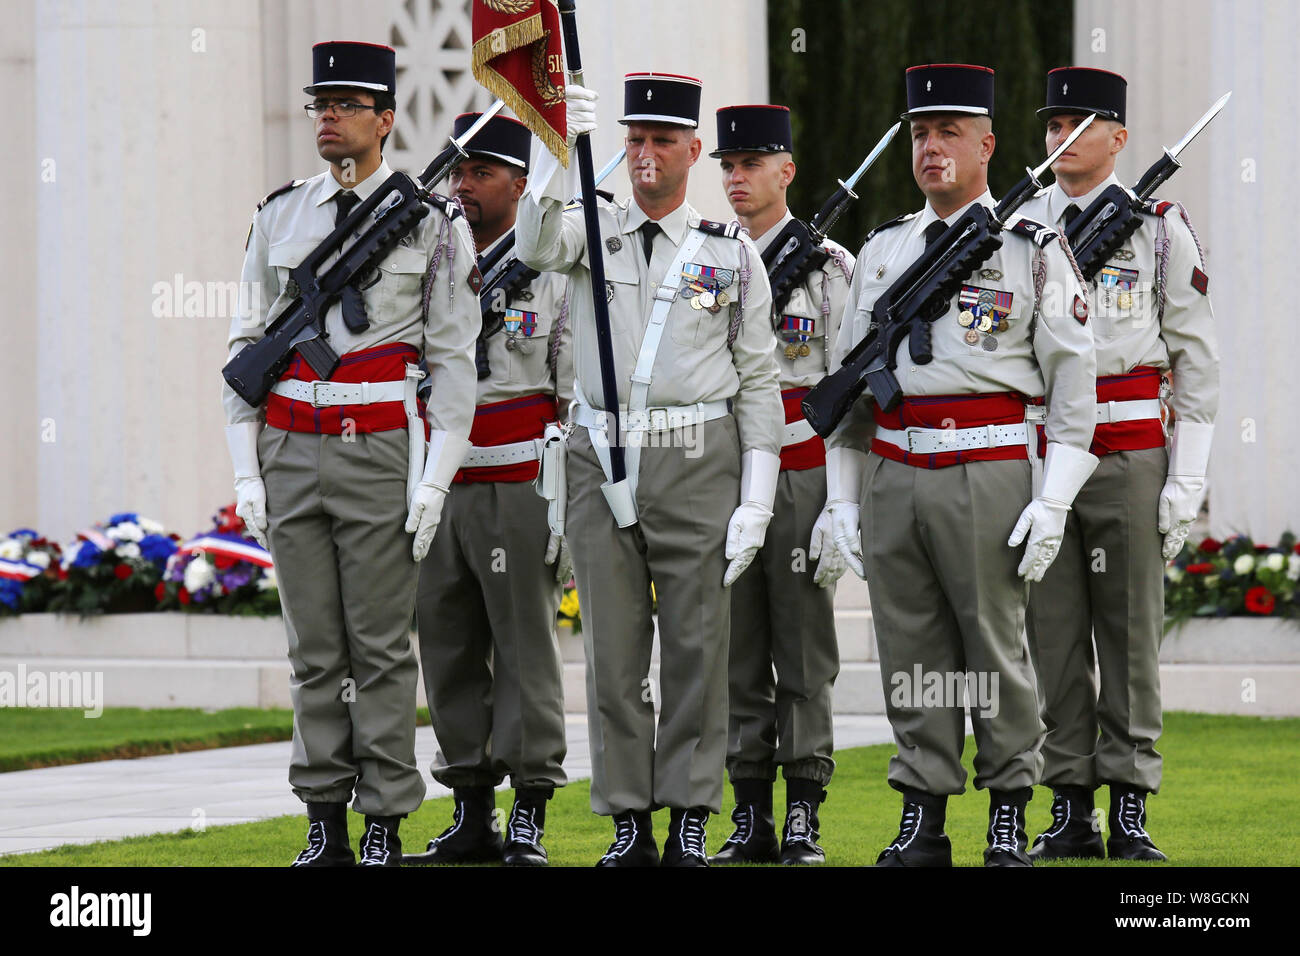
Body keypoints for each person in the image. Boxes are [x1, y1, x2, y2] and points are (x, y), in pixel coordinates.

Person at [825, 63, 1098, 867]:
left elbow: (1073, 391)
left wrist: (1052, 504)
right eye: (919, 134)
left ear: (987, 144)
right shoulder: (880, 252)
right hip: (894, 469)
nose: (932, 148)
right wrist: (842, 501)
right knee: (912, 651)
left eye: (949, 133)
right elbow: (846, 396)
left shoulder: (1033, 250)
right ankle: (924, 812)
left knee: (994, 647)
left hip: (987, 470)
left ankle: (1009, 805)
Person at [516, 72, 784, 867]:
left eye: (662, 140)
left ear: (694, 152)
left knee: (700, 651)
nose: (644, 153)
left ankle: (691, 818)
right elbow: (533, 243)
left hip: (697, 457)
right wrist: (554, 151)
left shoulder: (728, 254)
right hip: (601, 455)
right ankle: (629, 819)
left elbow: (760, 377)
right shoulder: (586, 227)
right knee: (613, 653)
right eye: (634, 139)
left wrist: (758, 498)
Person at [223, 41, 478, 866]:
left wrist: (435, 478)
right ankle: (324, 820)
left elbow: (453, 365)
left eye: (346, 105)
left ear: (385, 120)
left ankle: (383, 823)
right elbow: (244, 351)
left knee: (377, 651)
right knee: (313, 653)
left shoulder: (435, 225)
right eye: (319, 105)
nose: (327, 118)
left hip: (378, 452)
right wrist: (243, 469)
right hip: (291, 447)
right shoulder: (280, 215)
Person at [1018, 67, 1219, 862]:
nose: (1061, 136)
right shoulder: (1019, 225)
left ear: (1119, 138)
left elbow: (1196, 359)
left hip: (1128, 448)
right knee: (1053, 634)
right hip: (1038, 455)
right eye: (1051, 123)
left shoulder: (1161, 229)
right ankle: (1069, 806)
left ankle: (1130, 806)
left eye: (1079, 121)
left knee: (1129, 634)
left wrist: (1189, 475)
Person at [402, 111, 573, 868]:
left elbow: (570, 396)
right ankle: (471, 808)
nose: (462, 188)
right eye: (458, 174)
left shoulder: (554, 272)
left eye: (480, 174)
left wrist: (570, 502)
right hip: (442, 480)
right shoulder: (427, 261)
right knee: (446, 648)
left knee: (525, 650)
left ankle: (530, 810)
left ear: (520, 183)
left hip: (518, 482)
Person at [708, 104, 853, 865]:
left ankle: (803, 812)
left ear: (786, 171)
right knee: (734, 655)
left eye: (752, 164)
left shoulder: (831, 267)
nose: (737, 177)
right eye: (728, 166)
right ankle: (749, 816)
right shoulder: (700, 260)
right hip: (723, 475)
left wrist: (839, 500)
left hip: (798, 473)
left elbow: (843, 389)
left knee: (802, 653)